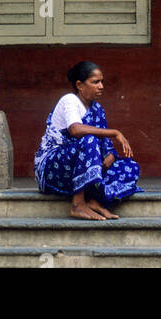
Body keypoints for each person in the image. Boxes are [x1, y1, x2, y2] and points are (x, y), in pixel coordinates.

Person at [34, 60, 141, 219]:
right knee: (89, 140)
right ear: (79, 85)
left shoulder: (97, 109)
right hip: (53, 168)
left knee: (129, 167)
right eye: (95, 82)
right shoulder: (69, 100)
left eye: (102, 82)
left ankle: (93, 201)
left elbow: (107, 146)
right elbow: (76, 130)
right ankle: (78, 204)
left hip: (79, 169)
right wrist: (115, 132)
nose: (101, 86)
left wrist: (110, 155)